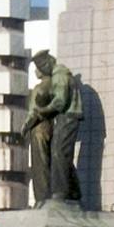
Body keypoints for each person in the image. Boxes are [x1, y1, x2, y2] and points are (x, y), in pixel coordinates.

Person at [23, 51, 83, 204]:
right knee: (59, 152)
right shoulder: (57, 76)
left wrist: (41, 112)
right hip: (64, 116)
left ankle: (62, 192)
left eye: (42, 66)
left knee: (59, 151)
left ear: (48, 63)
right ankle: (68, 190)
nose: (41, 70)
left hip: (69, 116)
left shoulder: (60, 75)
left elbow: (60, 102)